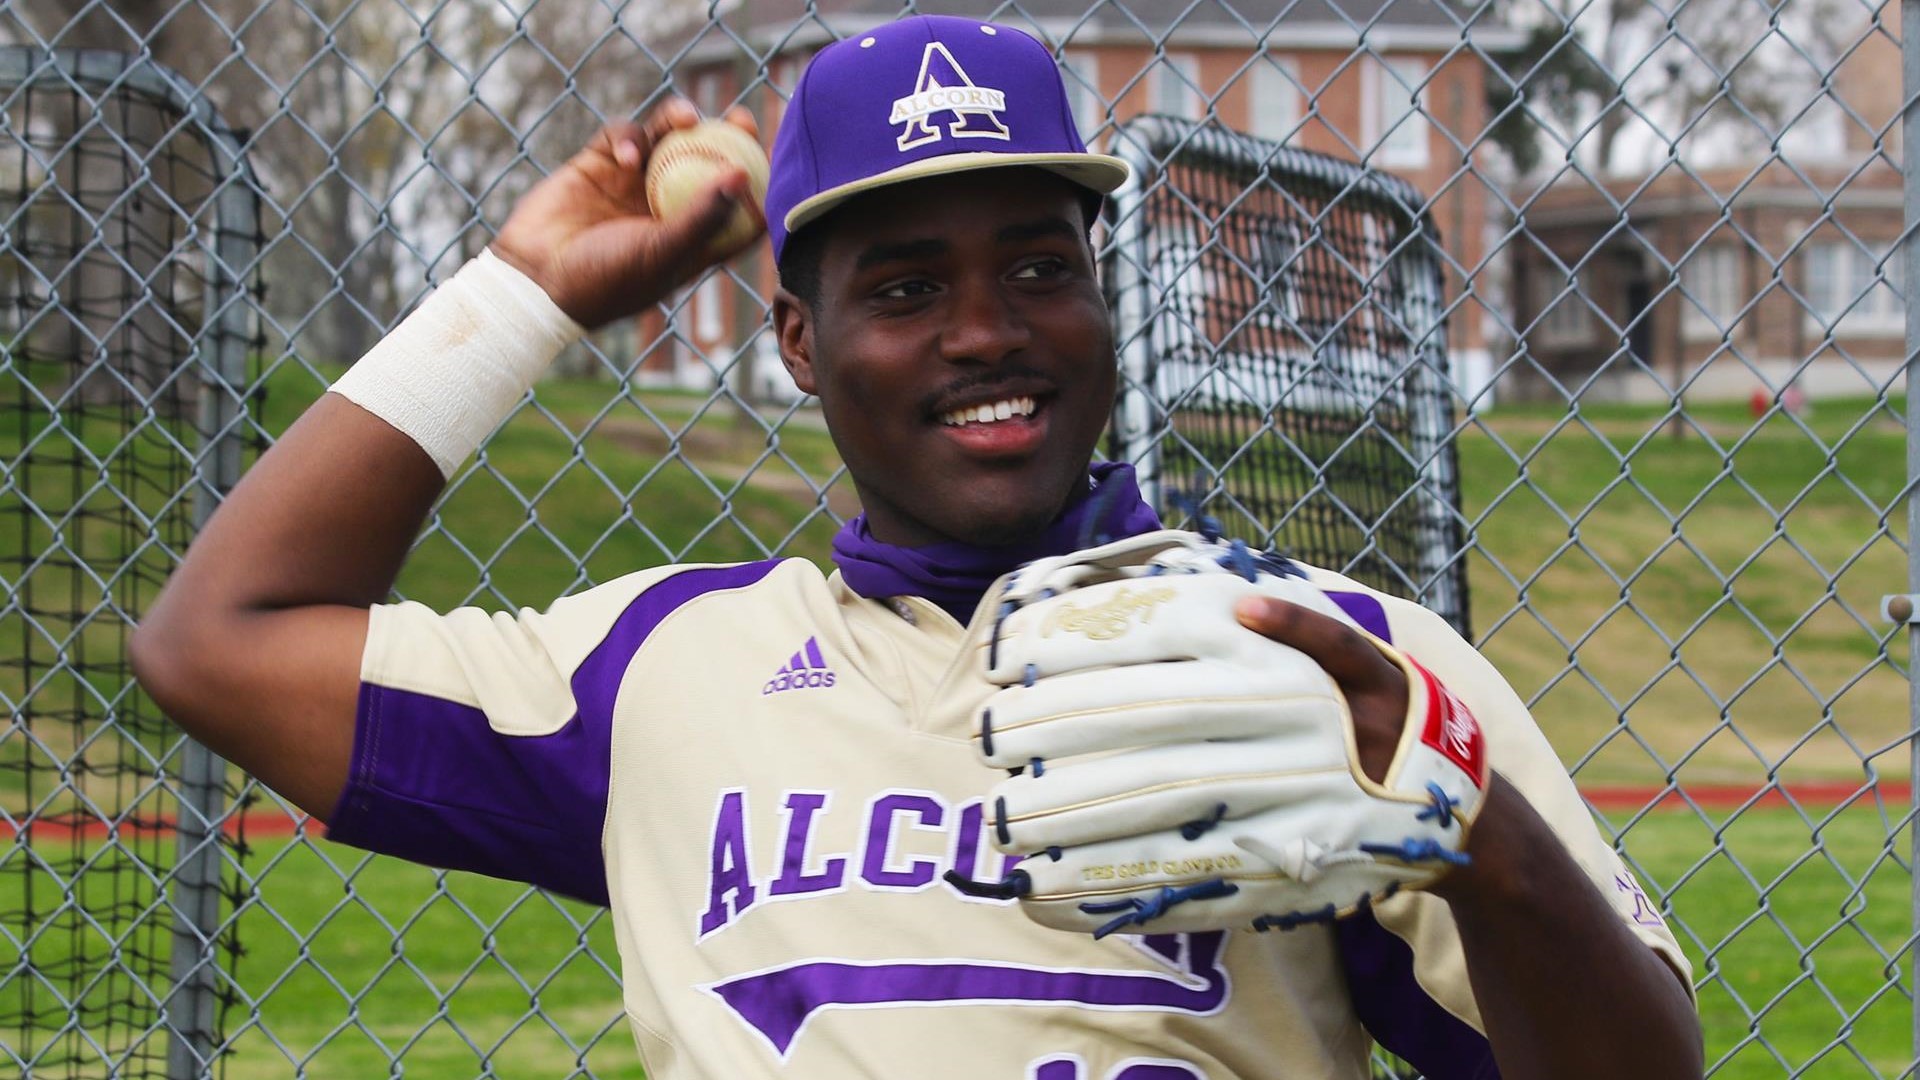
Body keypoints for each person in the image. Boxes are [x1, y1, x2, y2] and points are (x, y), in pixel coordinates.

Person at [133, 14, 1702, 1079]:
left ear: (1101, 296)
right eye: (903, 289)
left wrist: (1473, 833)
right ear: (802, 346)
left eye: (1037, 265)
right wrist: (528, 296)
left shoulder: (1332, 662)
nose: (984, 332)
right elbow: (216, 642)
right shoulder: (657, 670)